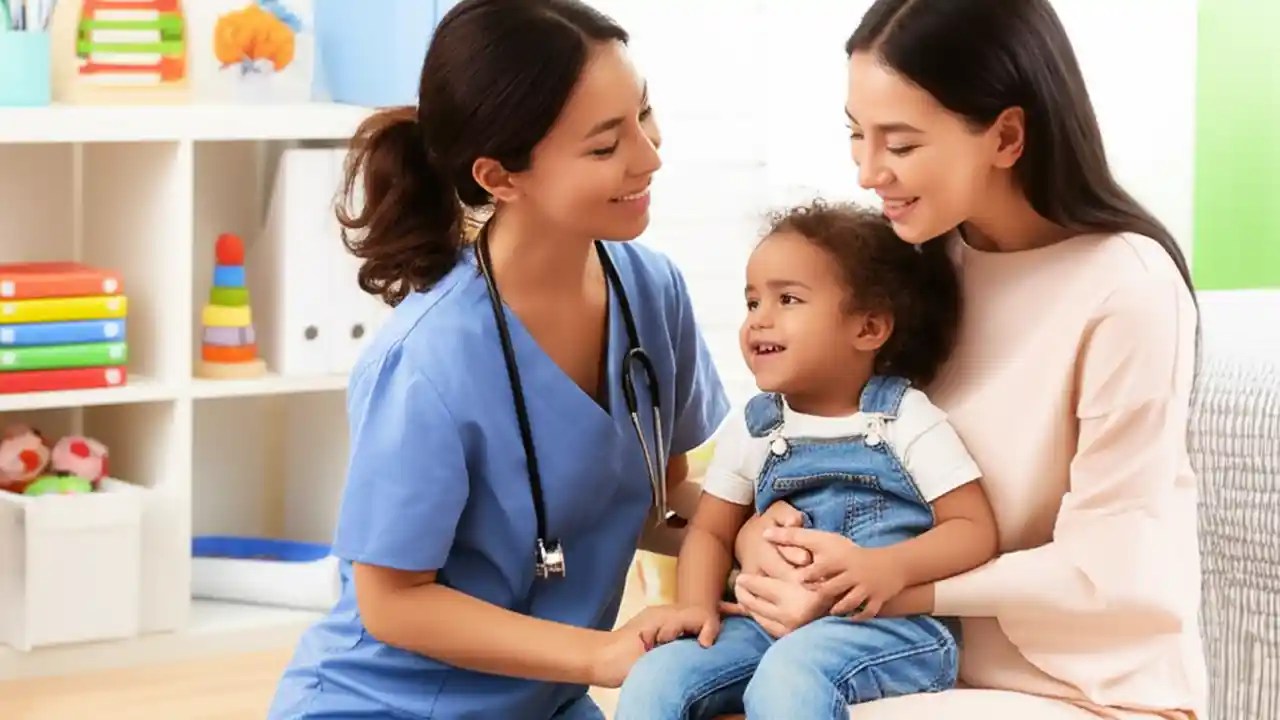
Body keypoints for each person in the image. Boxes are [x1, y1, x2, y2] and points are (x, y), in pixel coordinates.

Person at [727, 1, 1207, 719]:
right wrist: (759, 536)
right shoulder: (912, 273)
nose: (867, 172)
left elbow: (1103, 567)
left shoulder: (1126, 288)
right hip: (903, 653)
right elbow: (822, 449)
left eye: (901, 143)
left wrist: (866, 590)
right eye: (858, 136)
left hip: (1083, 688)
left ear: (1007, 136)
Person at [265, 1, 729, 718]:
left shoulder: (652, 292)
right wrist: (599, 654)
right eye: (606, 146)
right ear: (501, 176)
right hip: (385, 704)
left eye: (643, 115)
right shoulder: (427, 360)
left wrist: (747, 528)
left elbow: (658, 502)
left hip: (542, 703)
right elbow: (392, 603)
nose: (650, 157)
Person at [614, 201, 1000, 720]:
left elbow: (974, 527)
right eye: (752, 303)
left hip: (889, 630)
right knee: (658, 675)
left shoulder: (902, 418)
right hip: (765, 622)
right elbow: (710, 532)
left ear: (868, 329)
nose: (759, 321)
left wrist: (888, 566)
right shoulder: (756, 426)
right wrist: (696, 608)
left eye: (788, 299)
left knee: (791, 674)